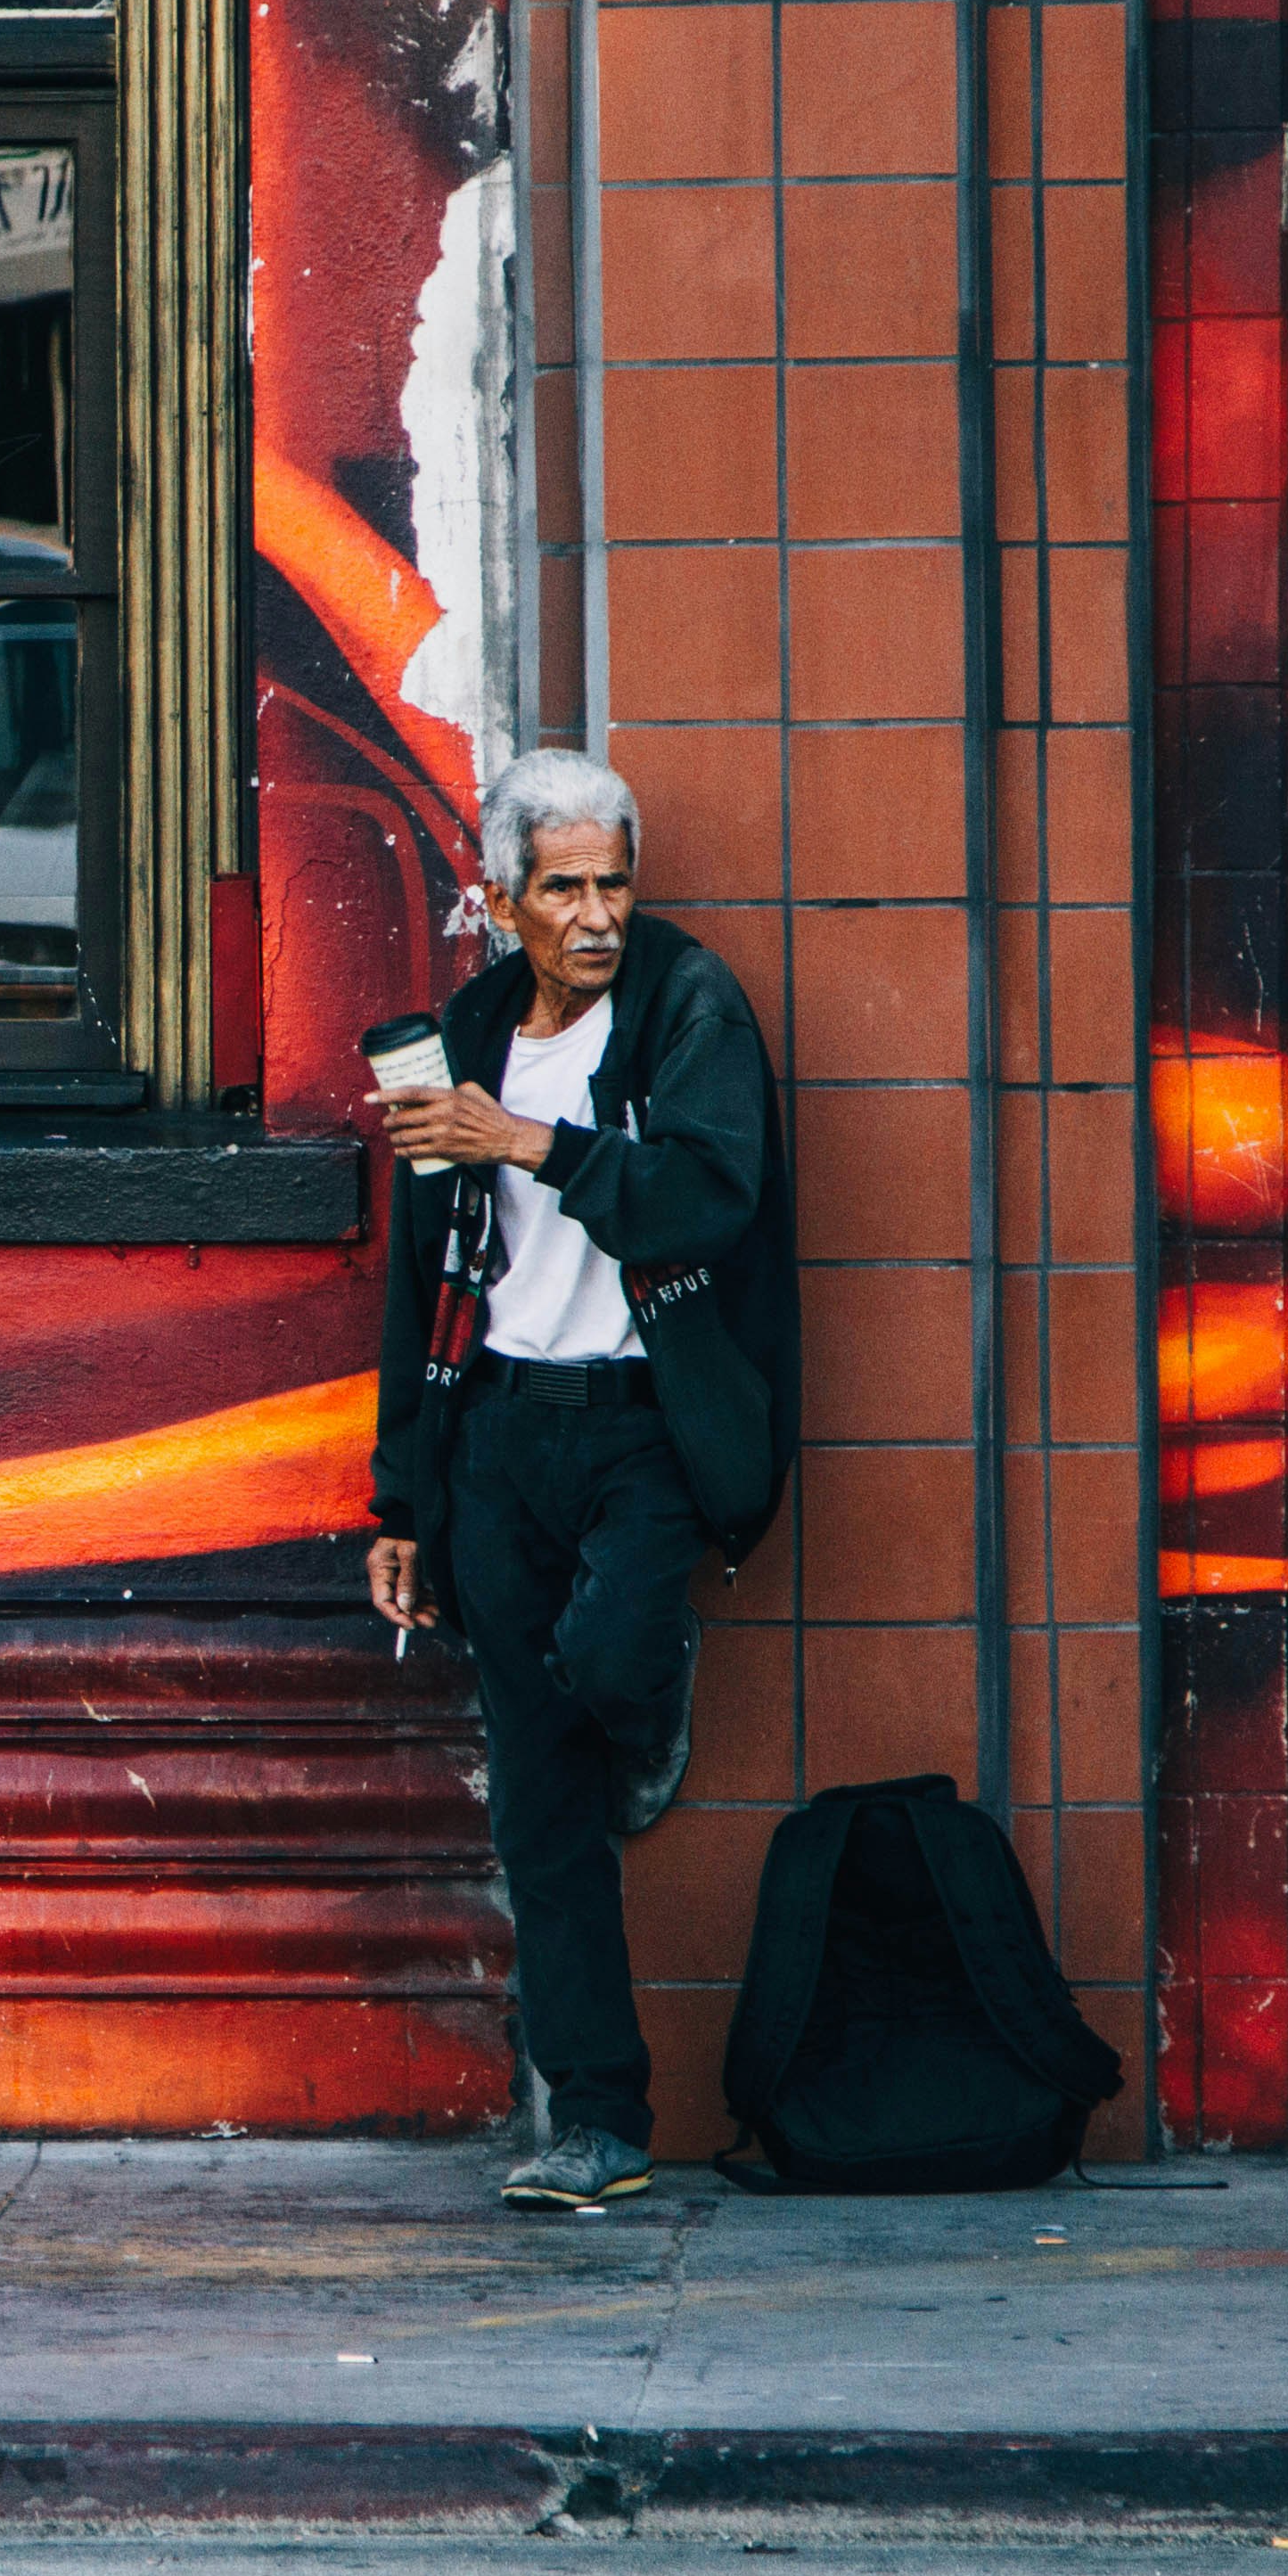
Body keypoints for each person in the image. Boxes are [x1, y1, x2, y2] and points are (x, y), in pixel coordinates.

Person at [365, 751, 798, 2213]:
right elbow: (420, 1268)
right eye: (562, 887)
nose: (597, 913)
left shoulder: (686, 1005)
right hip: (498, 1430)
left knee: (609, 1655)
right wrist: (404, 1501)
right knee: (537, 1803)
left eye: (615, 880)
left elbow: (702, 1193)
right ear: (498, 899)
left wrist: (531, 1140)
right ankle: (599, 2122)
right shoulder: (469, 1026)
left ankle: (640, 1694)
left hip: (641, 1425)